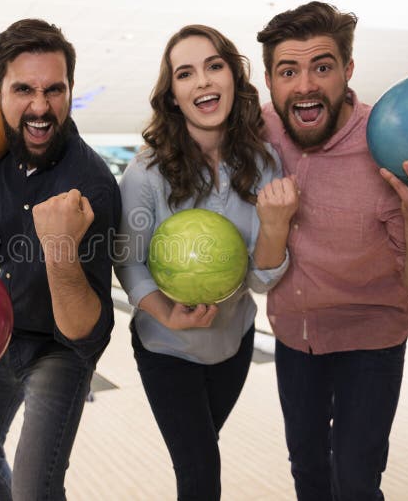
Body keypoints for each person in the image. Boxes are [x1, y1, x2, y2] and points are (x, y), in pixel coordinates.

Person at [257, 1, 408, 500]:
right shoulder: (261, 132)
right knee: (307, 472)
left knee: (354, 482)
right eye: (289, 70)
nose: (305, 85)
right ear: (269, 80)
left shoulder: (392, 149)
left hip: (370, 342)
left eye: (322, 67)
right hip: (294, 337)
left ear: (347, 71)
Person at [114, 24, 298, 500]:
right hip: (165, 349)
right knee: (200, 475)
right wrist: (164, 310)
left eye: (214, 66)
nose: (203, 82)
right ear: (172, 95)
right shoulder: (147, 172)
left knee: (200, 459)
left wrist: (276, 226)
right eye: (185, 73)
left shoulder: (264, 164)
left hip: (233, 346)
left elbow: (259, 278)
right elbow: (129, 261)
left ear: (233, 78)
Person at [0, 18, 121, 500]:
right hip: (2, 334)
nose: (41, 107)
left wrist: (61, 252)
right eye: (24, 89)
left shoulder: (91, 187)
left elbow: (85, 331)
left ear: (70, 89)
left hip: (59, 350)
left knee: (36, 492)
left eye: (55, 89)